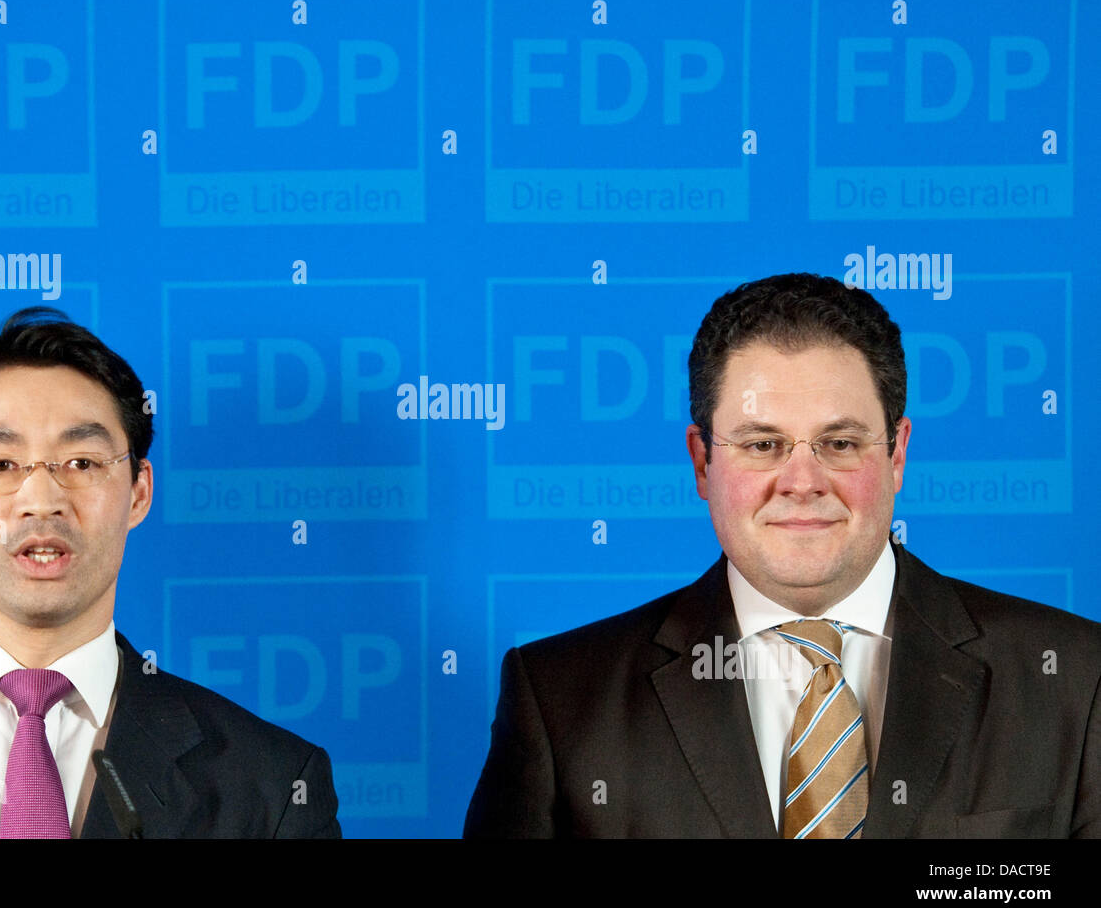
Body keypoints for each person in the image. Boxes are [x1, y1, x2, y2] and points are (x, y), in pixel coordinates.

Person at [464, 272, 1100, 838]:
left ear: (897, 453)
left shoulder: (1075, 680)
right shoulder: (559, 701)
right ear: (702, 461)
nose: (803, 480)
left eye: (841, 442)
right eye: (763, 444)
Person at [0, 308, 341, 838]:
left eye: (82, 463)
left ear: (139, 491)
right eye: (1, 465)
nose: (42, 499)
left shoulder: (271, 785)